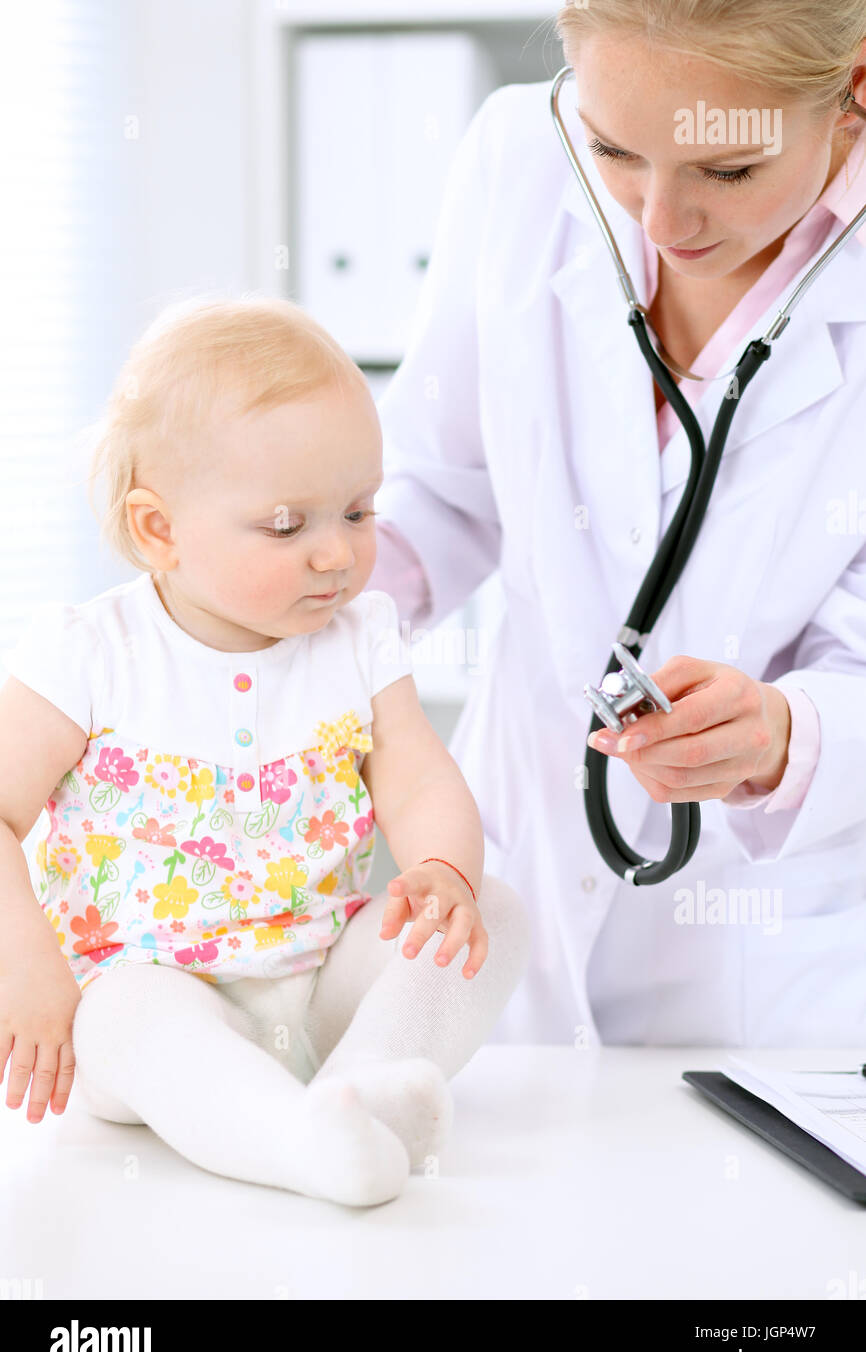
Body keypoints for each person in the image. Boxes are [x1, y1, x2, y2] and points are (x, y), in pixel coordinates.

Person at [367, 0, 866, 1048]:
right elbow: (443, 486)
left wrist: (782, 734)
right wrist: (280, 608)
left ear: (855, 87)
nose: (658, 220)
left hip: (778, 978)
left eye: (724, 172)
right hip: (511, 916)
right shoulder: (518, 153)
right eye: (614, 149)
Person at [0, 295, 531, 1207]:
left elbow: (415, 774)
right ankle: (303, 1141)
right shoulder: (93, 652)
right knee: (127, 1014)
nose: (335, 555)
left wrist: (443, 867)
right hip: (154, 996)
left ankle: (354, 1091)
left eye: (360, 513)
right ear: (157, 529)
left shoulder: (358, 637)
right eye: (289, 527)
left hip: (317, 988)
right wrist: (30, 970)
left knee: (495, 914)